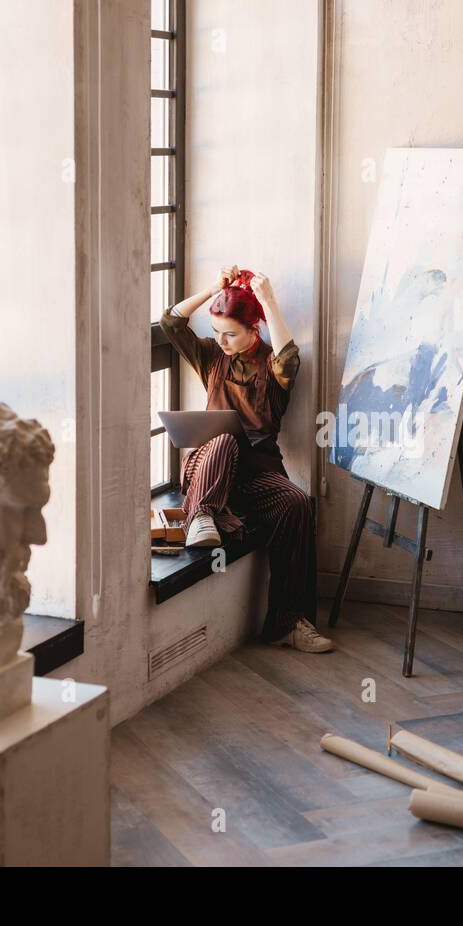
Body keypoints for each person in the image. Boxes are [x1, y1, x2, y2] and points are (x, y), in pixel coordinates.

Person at [160, 266, 332, 653]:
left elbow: (289, 357)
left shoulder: (273, 367)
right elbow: (171, 322)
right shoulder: (209, 357)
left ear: (254, 329)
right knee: (223, 437)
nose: (220, 340)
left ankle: (287, 624)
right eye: (217, 331)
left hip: (256, 473)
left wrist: (268, 299)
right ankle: (201, 514)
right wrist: (211, 289)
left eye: (230, 333)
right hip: (209, 467)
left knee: (297, 503)